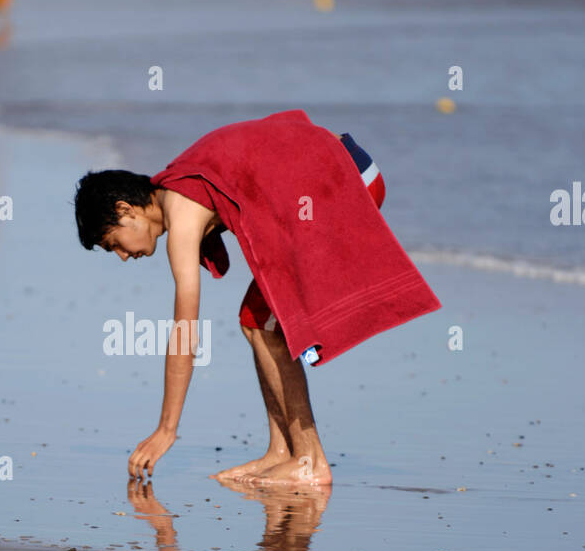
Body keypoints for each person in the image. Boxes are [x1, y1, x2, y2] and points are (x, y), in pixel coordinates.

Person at [74, 110, 441, 488]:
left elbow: (185, 332)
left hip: (343, 177)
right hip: (340, 164)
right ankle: (282, 452)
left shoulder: (181, 211)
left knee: (266, 327)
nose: (121, 255)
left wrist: (166, 430)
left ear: (125, 210)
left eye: (112, 244)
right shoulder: (177, 186)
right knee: (257, 320)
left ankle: (309, 460)